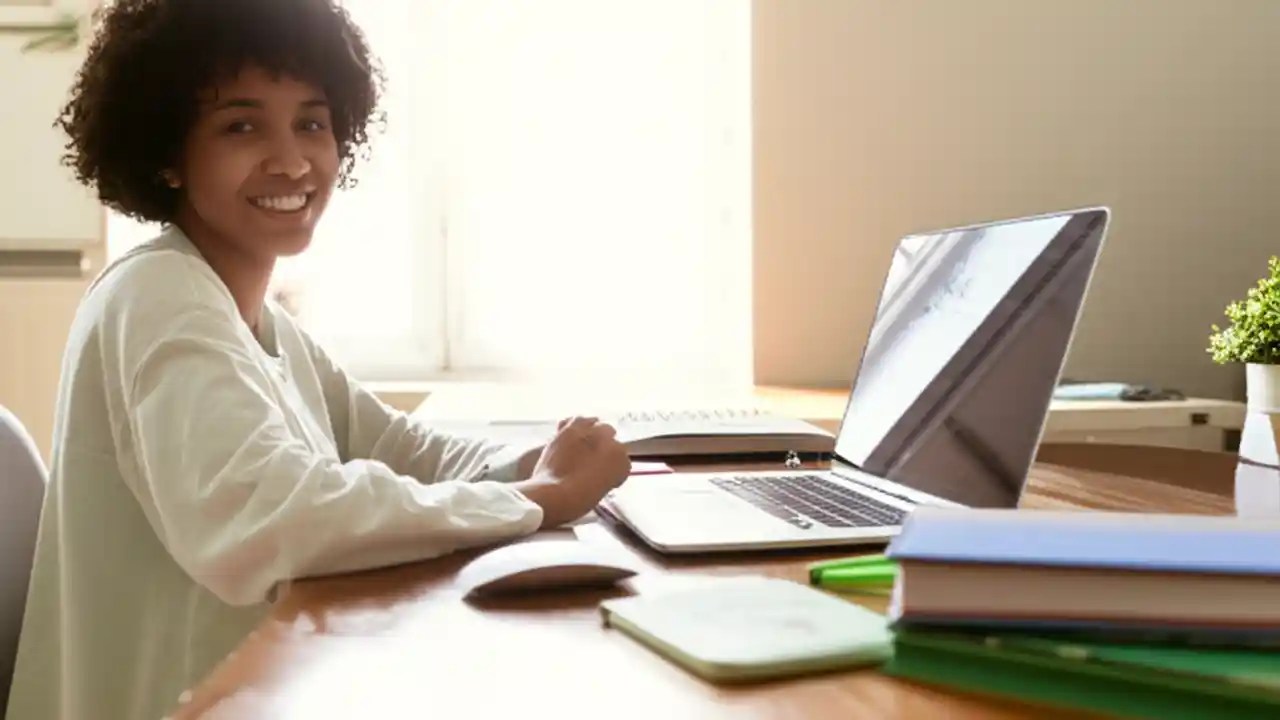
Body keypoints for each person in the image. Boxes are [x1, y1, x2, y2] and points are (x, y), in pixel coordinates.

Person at [5, 1, 630, 718]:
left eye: (312, 122)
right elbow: (275, 518)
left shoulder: (252, 315)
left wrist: (541, 463)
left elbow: (398, 447)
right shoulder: (157, 297)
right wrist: (539, 499)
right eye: (242, 125)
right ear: (167, 153)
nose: (293, 159)